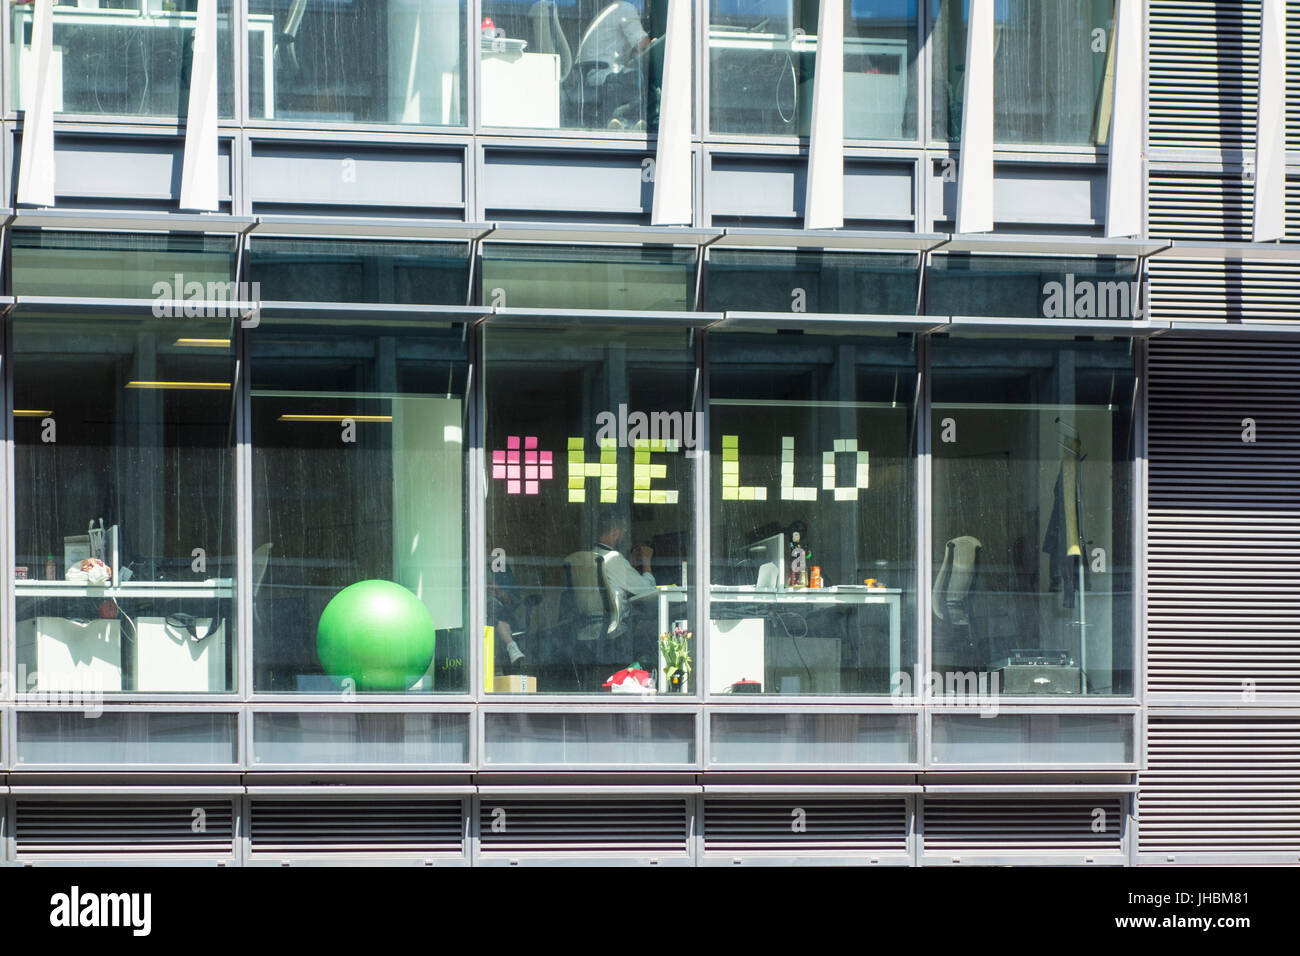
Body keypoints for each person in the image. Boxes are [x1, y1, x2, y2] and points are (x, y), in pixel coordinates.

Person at [577, 1, 655, 128]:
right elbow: (643, 45)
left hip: (591, 75)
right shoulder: (625, 8)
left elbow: (632, 53)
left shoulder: (609, 11)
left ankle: (624, 122)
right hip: (605, 75)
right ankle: (632, 123)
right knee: (638, 78)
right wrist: (654, 42)